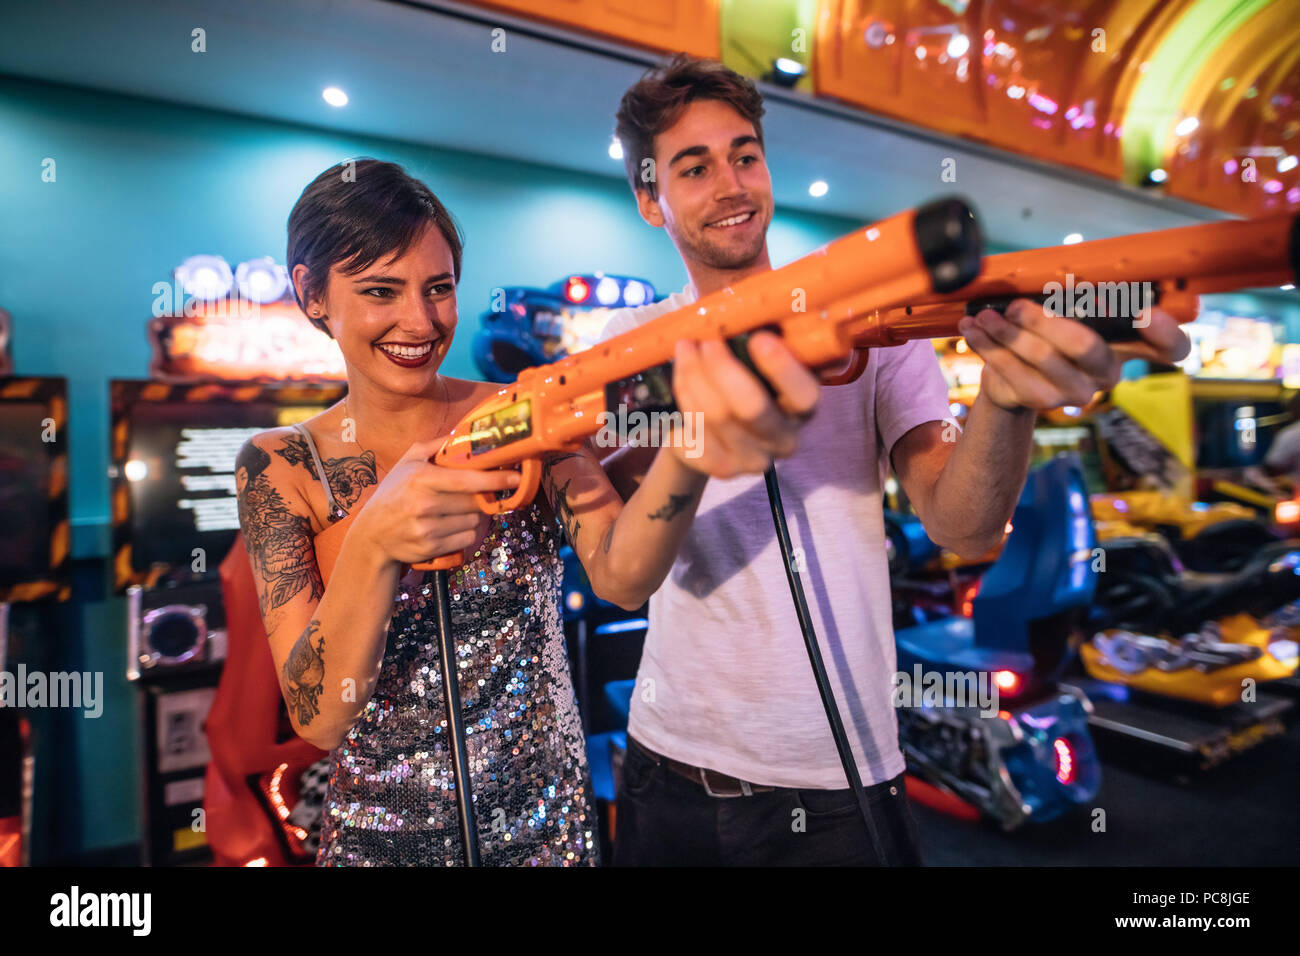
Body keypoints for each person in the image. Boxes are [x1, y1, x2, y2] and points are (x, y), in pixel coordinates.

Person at [595, 55, 1192, 866]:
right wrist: (696, 441)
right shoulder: (622, 357)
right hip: (672, 767)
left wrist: (1006, 398)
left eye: (745, 155)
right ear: (648, 196)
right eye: (693, 168)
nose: (731, 184)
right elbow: (627, 574)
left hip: (845, 772)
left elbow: (963, 528)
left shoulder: (874, 331)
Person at [234, 158, 812, 865]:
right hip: (376, 844)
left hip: (547, 836)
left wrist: (691, 449)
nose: (419, 321)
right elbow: (319, 716)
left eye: (439, 288)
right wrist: (375, 544)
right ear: (311, 293)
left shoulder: (519, 413)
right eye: (381, 291)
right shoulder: (280, 464)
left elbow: (622, 578)